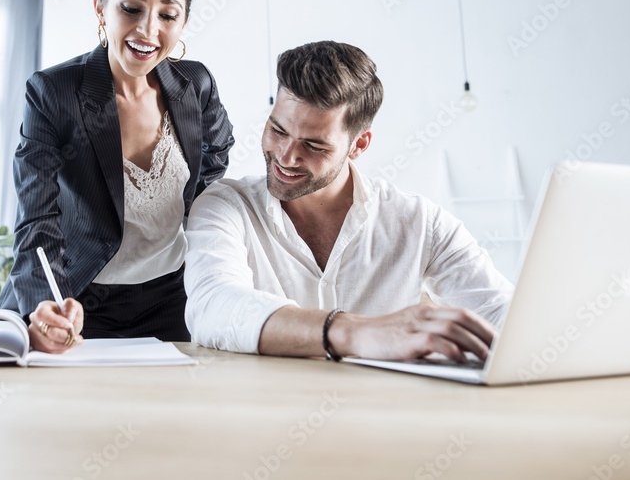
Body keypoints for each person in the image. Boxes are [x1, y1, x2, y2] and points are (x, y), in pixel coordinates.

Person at [184, 40, 513, 362]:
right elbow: (213, 306)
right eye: (277, 130)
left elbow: (504, 315)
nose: (285, 156)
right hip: (264, 412)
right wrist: (357, 333)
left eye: (314, 146)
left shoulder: (419, 221)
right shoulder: (225, 206)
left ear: (359, 145)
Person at [0, 0, 235, 354]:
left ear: (182, 23)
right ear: (100, 8)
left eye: (167, 14)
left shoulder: (196, 85)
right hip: (80, 296)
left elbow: (215, 157)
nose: (147, 29)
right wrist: (46, 303)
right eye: (131, 8)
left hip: (171, 297)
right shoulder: (55, 93)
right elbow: (37, 217)